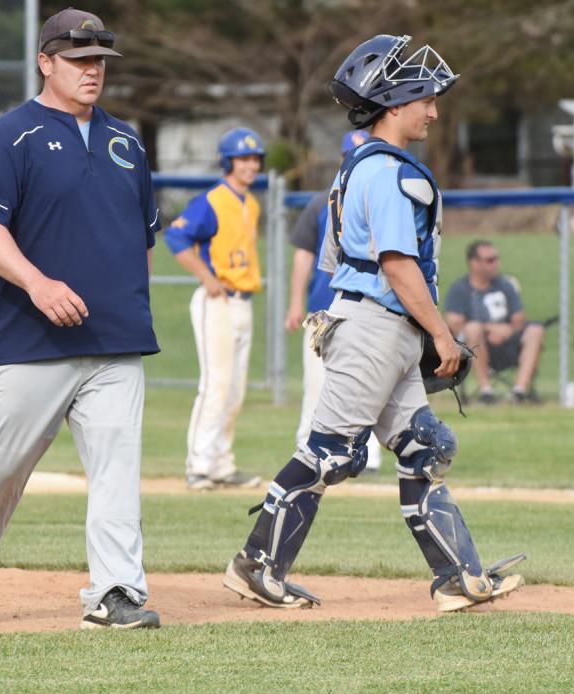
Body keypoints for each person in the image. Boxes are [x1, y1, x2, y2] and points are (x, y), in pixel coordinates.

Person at [223, 34, 524, 613]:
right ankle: (257, 565)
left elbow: (342, 261)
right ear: (393, 103)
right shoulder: (385, 172)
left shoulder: (364, 166)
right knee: (329, 453)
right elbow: (395, 261)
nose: (433, 111)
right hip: (374, 327)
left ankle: (457, 578)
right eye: (425, 100)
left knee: (423, 447)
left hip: (378, 327)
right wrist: (439, 333)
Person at [0, 7, 161, 631]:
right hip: (27, 339)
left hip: (114, 340)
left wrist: (130, 300)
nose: (92, 71)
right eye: (79, 60)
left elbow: (142, 238)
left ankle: (116, 592)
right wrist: (38, 282)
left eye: (100, 61)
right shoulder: (7, 138)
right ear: (45, 62)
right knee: (3, 464)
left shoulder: (127, 142)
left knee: (117, 468)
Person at [164, 128, 265, 492]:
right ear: (227, 161)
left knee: (235, 390)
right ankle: (199, 465)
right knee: (216, 385)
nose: (250, 165)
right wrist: (206, 277)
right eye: (243, 158)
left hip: (243, 301)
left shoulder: (251, 203)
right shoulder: (213, 200)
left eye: (255, 159)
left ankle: (221, 464)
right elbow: (176, 236)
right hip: (216, 301)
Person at [286, 129, 381, 472]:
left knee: (367, 383)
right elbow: (303, 256)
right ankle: (307, 448)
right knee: (316, 382)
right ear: (341, 160)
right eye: (348, 156)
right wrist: (296, 302)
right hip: (322, 308)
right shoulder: (320, 202)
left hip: (366, 310)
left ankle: (362, 451)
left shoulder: (380, 201)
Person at [444, 241, 545, 404]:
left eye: (496, 259)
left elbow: (519, 319)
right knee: (473, 329)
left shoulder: (505, 285)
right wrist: (489, 329)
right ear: (474, 263)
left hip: (509, 346)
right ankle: (486, 392)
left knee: (536, 330)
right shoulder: (460, 289)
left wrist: (507, 332)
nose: (496, 263)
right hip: (474, 349)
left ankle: (519, 392)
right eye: (490, 260)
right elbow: (454, 324)